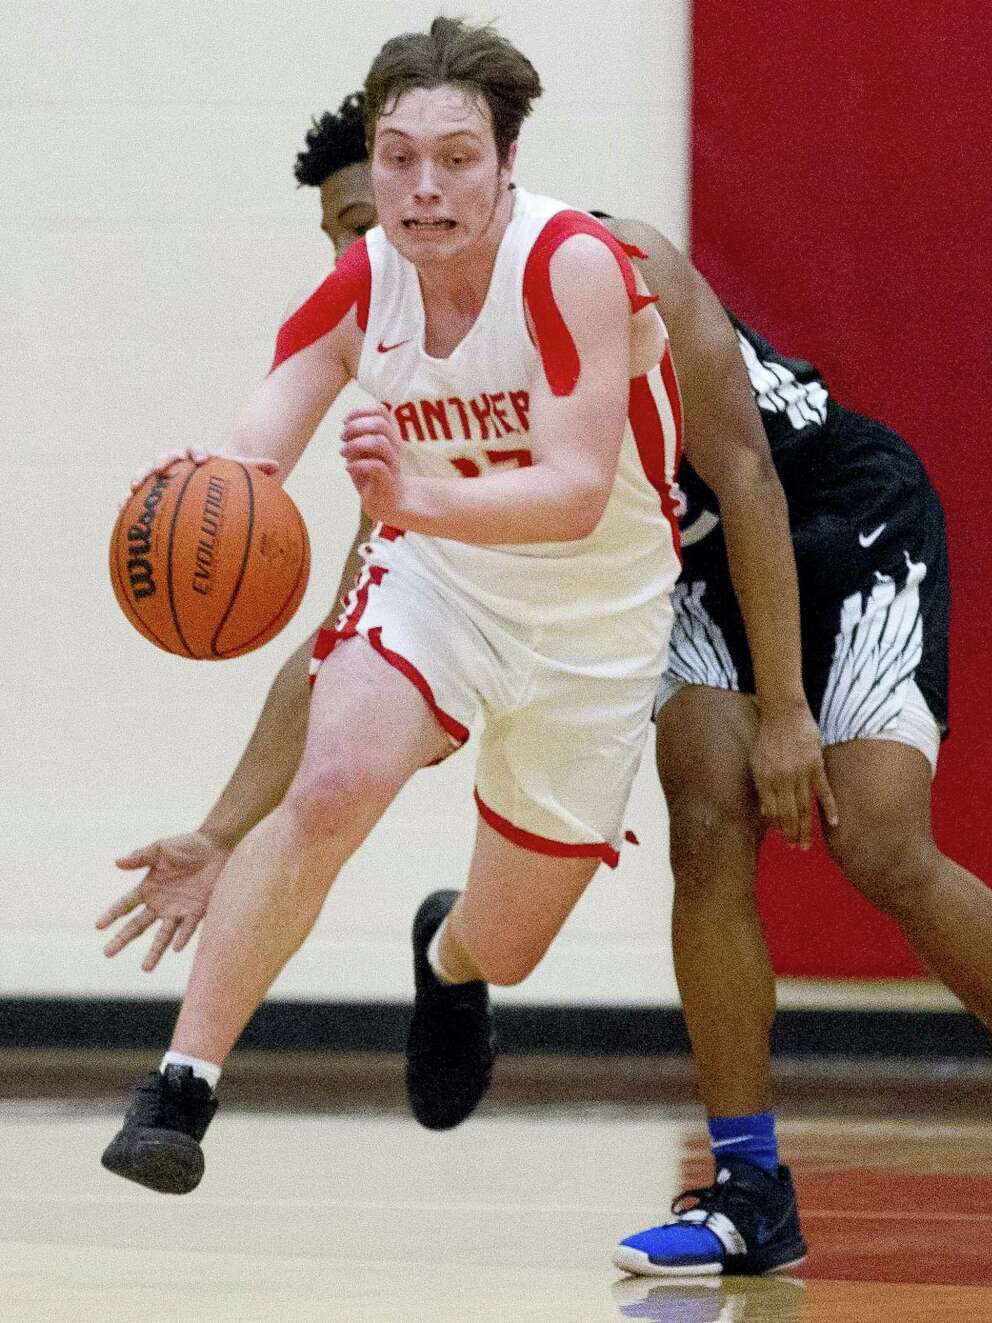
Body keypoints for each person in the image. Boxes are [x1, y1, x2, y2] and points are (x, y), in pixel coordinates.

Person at [99, 89, 992, 1277]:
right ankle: (750, 1187)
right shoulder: (406, 352)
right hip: (680, 560)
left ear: (474, 181)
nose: (374, 243)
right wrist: (220, 828)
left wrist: (784, 710)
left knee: (877, 842)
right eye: (345, 232)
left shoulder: (604, 265)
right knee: (706, 833)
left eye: (386, 204)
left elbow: (751, 482)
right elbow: (344, 632)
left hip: (829, 513)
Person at [99, 16, 692, 1198]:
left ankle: (446, 951)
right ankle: (181, 1085)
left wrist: (410, 490)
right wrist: (209, 485)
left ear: (506, 158)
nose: (422, 186)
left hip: (595, 623)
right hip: (440, 582)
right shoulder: (364, 281)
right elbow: (264, 437)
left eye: (455, 157)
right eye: (399, 154)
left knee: (511, 944)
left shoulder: (570, 264)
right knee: (328, 789)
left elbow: (577, 495)